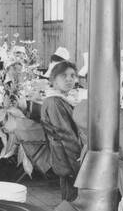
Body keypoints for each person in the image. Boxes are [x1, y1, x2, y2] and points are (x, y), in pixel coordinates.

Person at [15, 59, 84, 200]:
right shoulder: (54, 102)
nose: (69, 79)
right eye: (64, 76)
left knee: (70, 195)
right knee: (73, 197)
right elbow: (66, 136)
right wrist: (79, 160)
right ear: (54, 79)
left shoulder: (60, 99)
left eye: (72, 75)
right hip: (68, 157)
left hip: (66, 156)